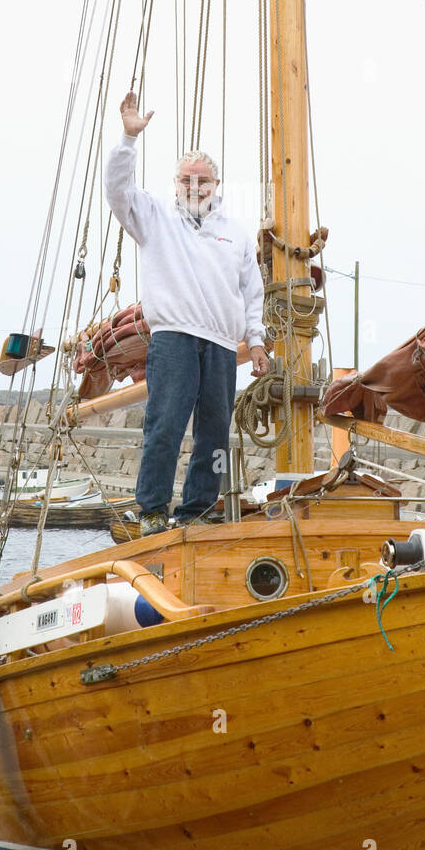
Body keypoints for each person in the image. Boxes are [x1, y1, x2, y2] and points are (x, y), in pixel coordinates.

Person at [104, 91, 270, 535]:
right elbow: (116, 191)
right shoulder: (154, 217)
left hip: (220, 344)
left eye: (203, 181)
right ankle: (153, 510)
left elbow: (251, 292)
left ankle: (196, 509)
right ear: (175, 184)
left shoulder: (235, 234)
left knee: (214, 436)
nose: (194, 188)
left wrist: (255, 341)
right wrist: (128, 138)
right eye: (186, 180)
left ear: (217, 186)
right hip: (174, 337)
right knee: (165, 425)